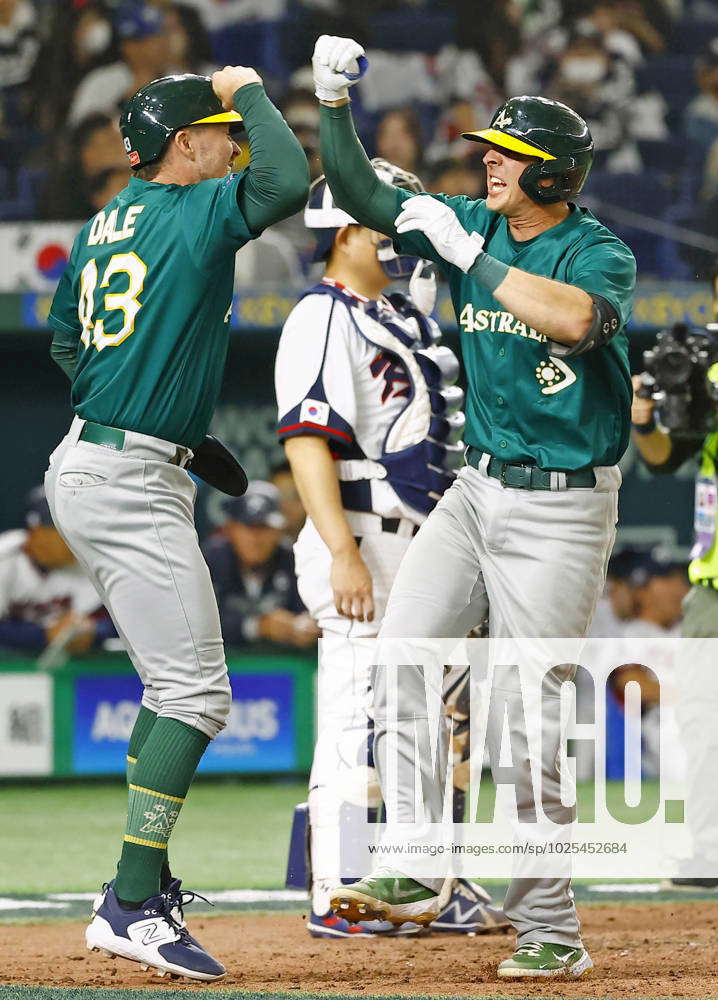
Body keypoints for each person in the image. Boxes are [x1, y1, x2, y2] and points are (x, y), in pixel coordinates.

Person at [311, 35, 636, 979]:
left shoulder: (595, 251)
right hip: (479, 487)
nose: (485, 159)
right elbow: (369, 199)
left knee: (522, 726)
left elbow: (575, 320)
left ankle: (551, 932)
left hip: (563, 510)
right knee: (404, 656)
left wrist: (472, 262)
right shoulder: (468, 221)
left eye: (505, 152)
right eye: (485, 149)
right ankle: (415, 862)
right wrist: (334, 107)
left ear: (553, 173)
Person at [44, 66, 308, 980]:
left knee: (172, 686)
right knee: (196, 695)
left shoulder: (97, 226)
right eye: (221, 130)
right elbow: (285, 181)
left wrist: (167, 425)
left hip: (106, 456)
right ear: (184, 143)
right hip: (128, 476)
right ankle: (129, 899)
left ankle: (140, 889)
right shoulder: (191, 211)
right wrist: (256, 90)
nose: (233, 141)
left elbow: (67, 344)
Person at [276, 158, 508, 939]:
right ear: (345, 232)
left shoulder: (402, 314)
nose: (402, 236)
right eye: (387, 223)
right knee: (353, 714)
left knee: (434, 723)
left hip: (423, 540)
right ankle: (338, 887)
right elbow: (308, 441)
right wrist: (340, 550)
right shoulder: (321, 314)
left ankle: (426, 883)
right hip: (365, 536)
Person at [630, 288, 718, 889]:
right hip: (711, 581)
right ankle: (712, 852)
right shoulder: (705, 364)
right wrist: (646, 420)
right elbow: (667, 456)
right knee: (703, 721)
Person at [202, 481, 318, 648]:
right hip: (224, 666)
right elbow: (194, 623)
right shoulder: (210, 560)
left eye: (264, 527)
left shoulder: (293, 560)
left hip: (283, 668)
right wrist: (258, 626)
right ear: (231, 529)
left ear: (279, 530)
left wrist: (307, 625)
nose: (256, 539)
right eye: (248, 527)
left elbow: (310, 612)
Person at [0, 486, 113, 653]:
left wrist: (94, 631)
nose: (66, 536)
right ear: (34, 529)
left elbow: (119, 622)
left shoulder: (90, 560)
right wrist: (43, 635)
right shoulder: (6, 557)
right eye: (56, 528)